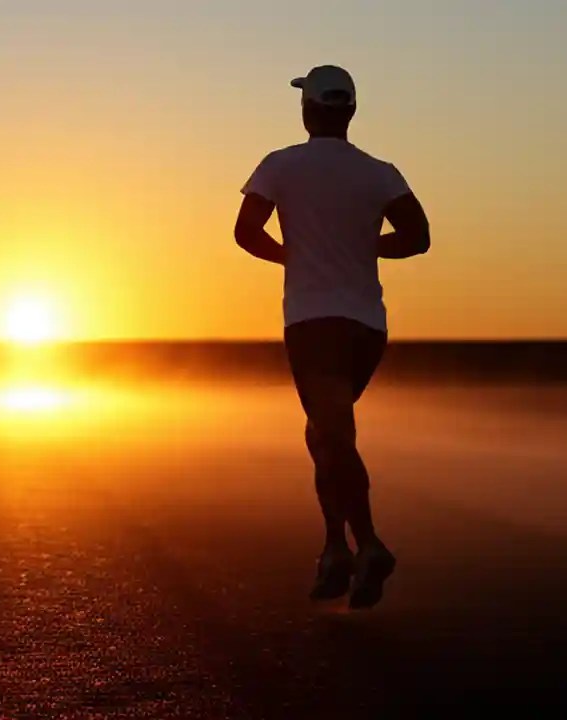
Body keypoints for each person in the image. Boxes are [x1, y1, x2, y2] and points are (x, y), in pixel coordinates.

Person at [234, 65, 431, 609]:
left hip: (312, 322)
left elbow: (245, 232)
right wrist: (368, 248)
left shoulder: (281, 165)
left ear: (308, 110)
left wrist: (289, 256)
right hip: (367, 326)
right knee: (323, 435)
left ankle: (365, 544)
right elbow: (418, 238)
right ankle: (333, 550)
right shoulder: (379, 172)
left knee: (334, 436)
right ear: (349, 111)